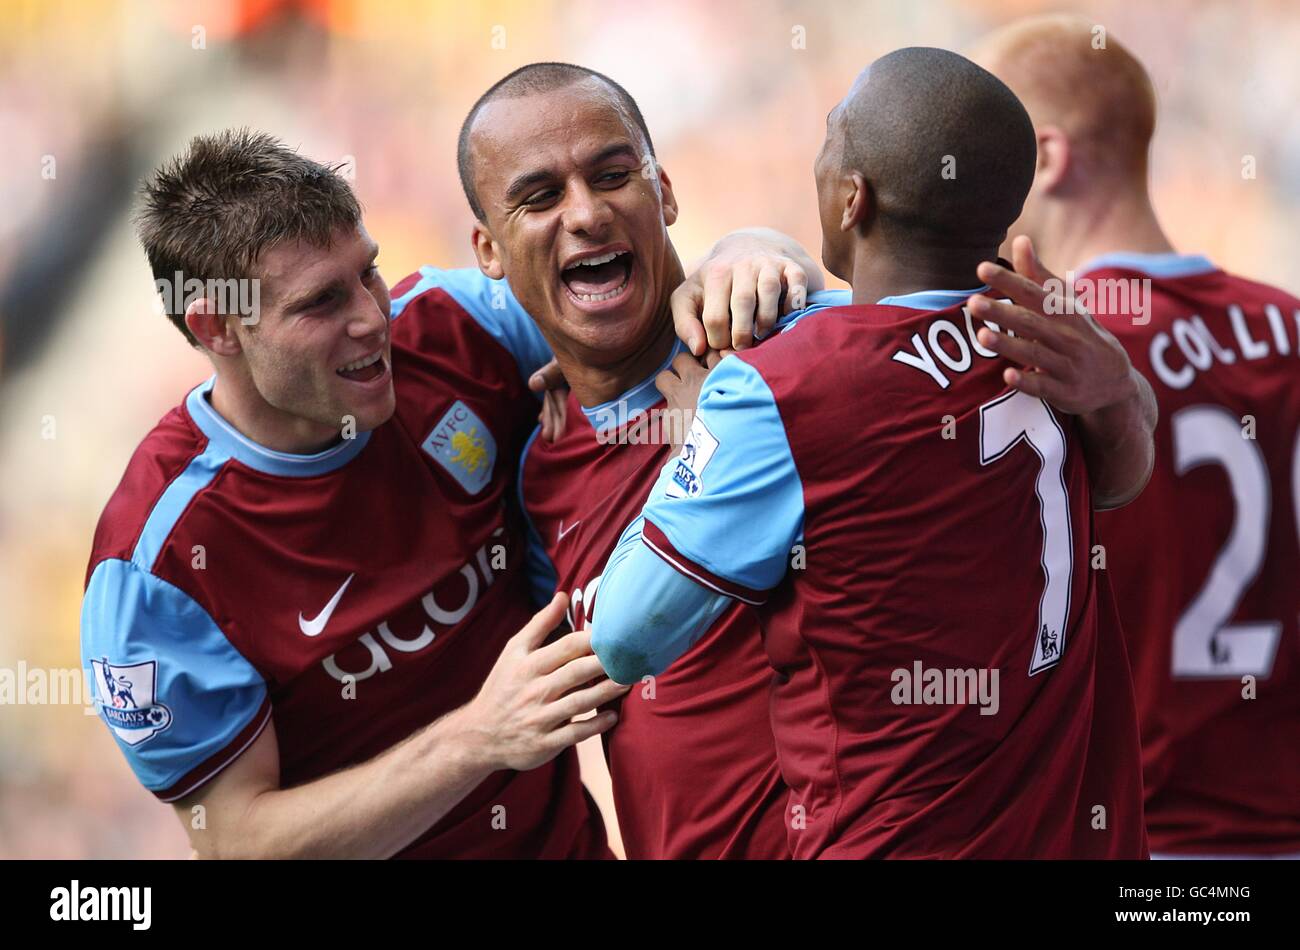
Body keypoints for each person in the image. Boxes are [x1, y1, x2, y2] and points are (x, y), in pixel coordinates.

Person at [80, 128, 792, 858]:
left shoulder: (456, 331)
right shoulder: (155, 568)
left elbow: (652, 303)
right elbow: (236, 841)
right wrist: (477, 739)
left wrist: (750, 253)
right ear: (217, 327)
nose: (372, 317)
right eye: (322, 302)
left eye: (369, 273)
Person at [591, 48, 1154, 858]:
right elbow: (1125, 462)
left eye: (830, 138)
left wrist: (687, 452)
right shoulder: (1053, 339)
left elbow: (626, 636)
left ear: (852, 197)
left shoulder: (785, 390)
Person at [458, 62, 839, 858]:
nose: (588, 214)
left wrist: (767, 252)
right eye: (540, 197)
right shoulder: (537, 470)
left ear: (663, 192)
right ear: (488, 252)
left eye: (613, 175)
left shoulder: (790, 349)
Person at [974, 15, 1300, 857]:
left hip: (1141, 839)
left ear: (1044, 159)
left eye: (980, 156)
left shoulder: (1039, 355)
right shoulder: (1291, 323)